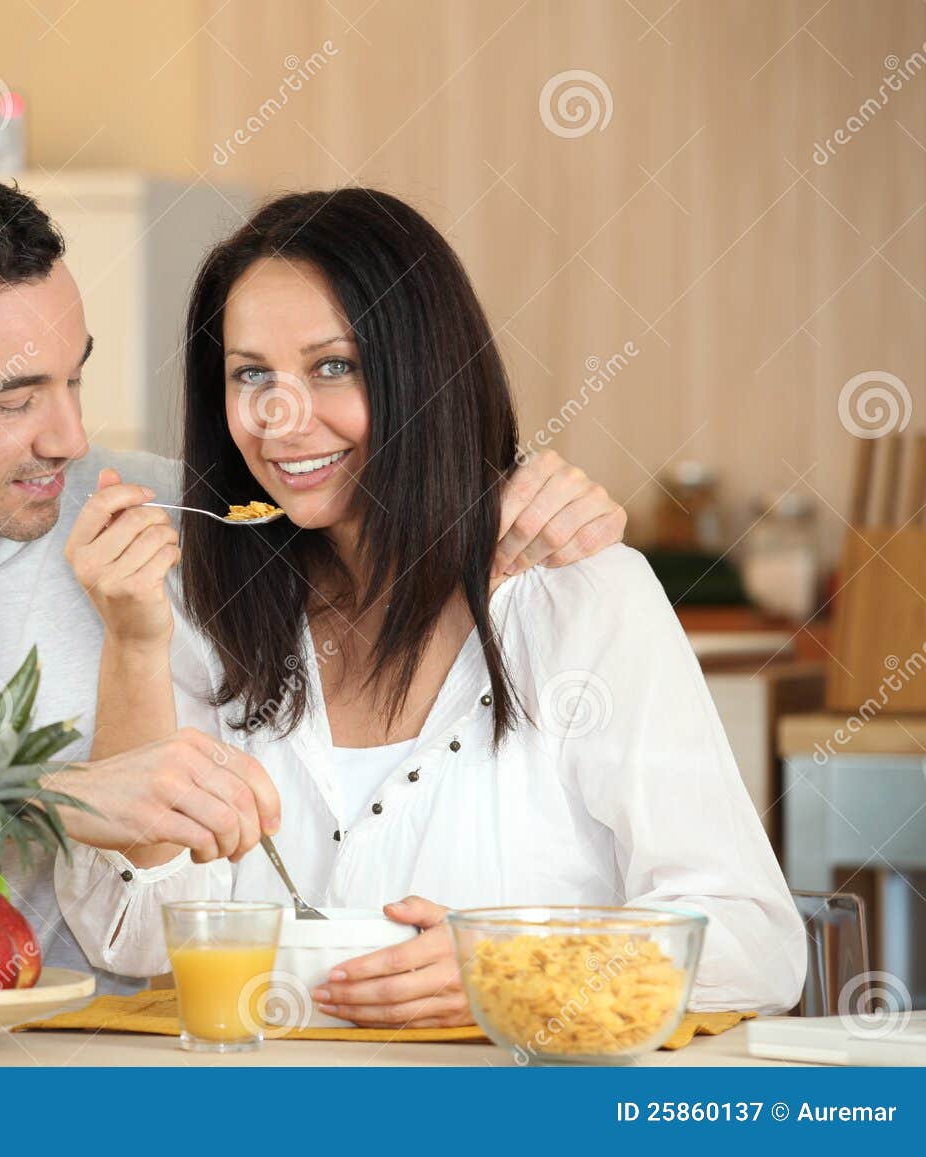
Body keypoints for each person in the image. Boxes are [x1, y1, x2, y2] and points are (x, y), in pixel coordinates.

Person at [0, 169, 628, 993]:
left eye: (76, 377)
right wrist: (55, 795)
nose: (69, 434)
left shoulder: (161, 509)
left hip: (132, 1058)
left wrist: (539, 503)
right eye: (18, 398)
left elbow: (378, 505)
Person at [58, 187, 805, 1019]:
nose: (279, 418)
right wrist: (131, 641)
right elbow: (137, 939)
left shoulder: (584, 597)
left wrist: (522, 969)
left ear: (425, 370)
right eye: (250, 374)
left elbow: (757, 947)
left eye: (332, 365)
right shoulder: (206, 610)